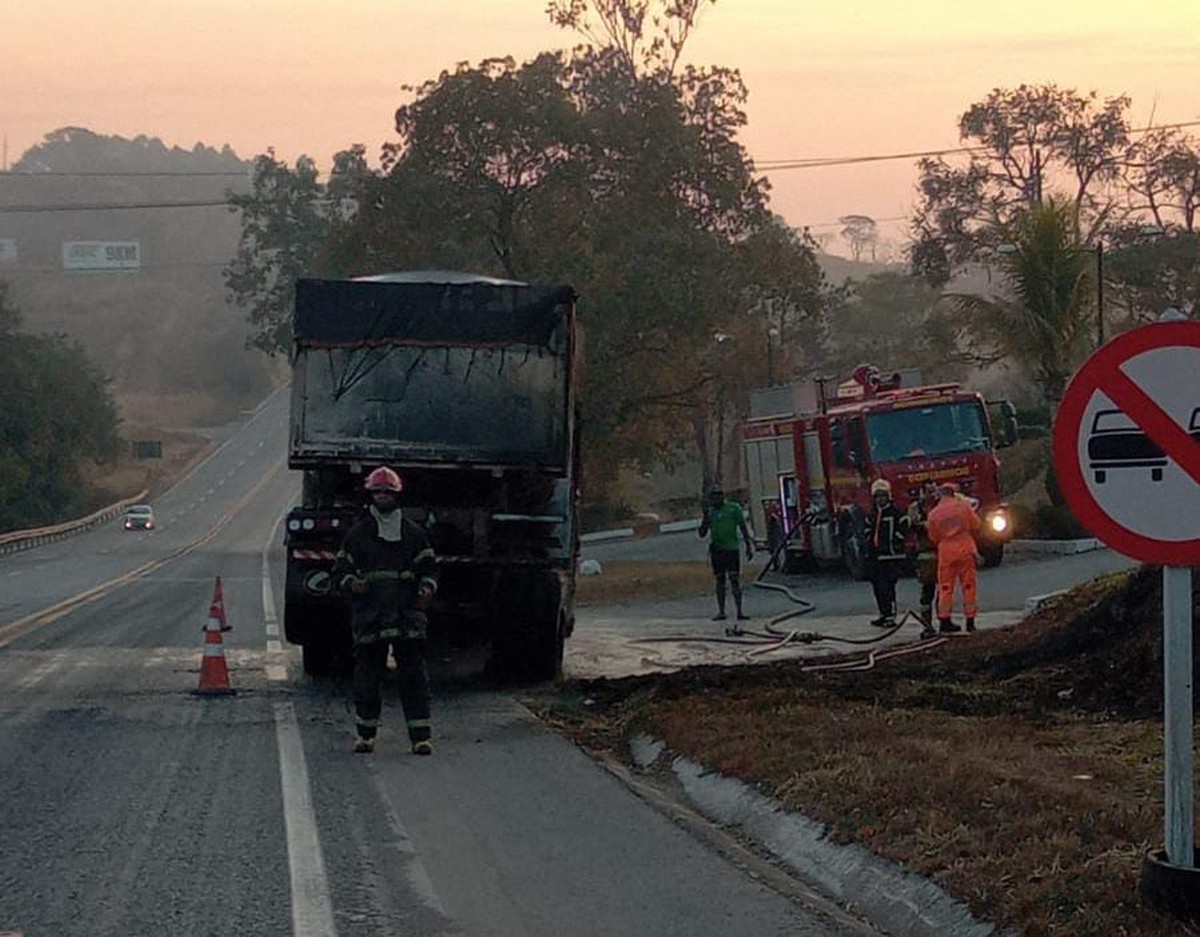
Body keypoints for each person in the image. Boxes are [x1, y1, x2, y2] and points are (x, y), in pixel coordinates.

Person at [332, 466, 439, 755]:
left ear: (396, 495)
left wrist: (427, 587)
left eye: (387, 492)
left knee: (414, 677)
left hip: (407, 615)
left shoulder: (414, 534)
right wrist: (352, 583)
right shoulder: (358, 534)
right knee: (367, 678)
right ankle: (366, 735)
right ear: (370, 494)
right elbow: (340, 569)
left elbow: (429, 568)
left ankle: (421, 738)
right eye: (377, 492)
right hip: (372, 616)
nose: (382, 496)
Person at [926, 480, 982, 634]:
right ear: (953, 493)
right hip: (965, 548)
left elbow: (933, 537)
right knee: (969, 586)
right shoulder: (963, 507)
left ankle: (944, 621)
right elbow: (976, 524)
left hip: (946, 552)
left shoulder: (933, 514)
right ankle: (970, 621)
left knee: (945, 587)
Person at [697, 484, 754, 622]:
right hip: (717, 550)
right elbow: (702, 533)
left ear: (722, 496)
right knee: (720, 580)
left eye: (719, 495)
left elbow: (743, 527)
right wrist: (705, 516)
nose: (716, 498)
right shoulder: (711, 512)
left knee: (734, 580)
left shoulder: (733, 508)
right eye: (713, 496)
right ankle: (721, 611)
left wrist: (748, 545)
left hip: (732, 549)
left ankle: (739, 611)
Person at [864, 479, 909, 627]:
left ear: (888, 496)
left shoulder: (895, 513)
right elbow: (867, 530)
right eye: (877, 496)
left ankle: (891, 615)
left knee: (888, 587)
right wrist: (869, 545)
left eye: (883, 496)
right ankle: (883, 614)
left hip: (890, 557)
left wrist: (896, 541)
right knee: (877, 587)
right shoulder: (872, 514)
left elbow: (905, 526)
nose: (880, 499)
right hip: (875, 557)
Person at [906, 480, 941, 639]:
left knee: (944, 591)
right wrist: (928, 525)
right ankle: (927, 626)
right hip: (925, 553)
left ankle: (944, 621)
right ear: (922, 493)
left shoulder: (942, 505)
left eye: (934, 491)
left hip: (942, 552)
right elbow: (913, 525)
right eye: (929, 491)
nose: (932, 495)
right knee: (927, 592)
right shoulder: (915, 508)